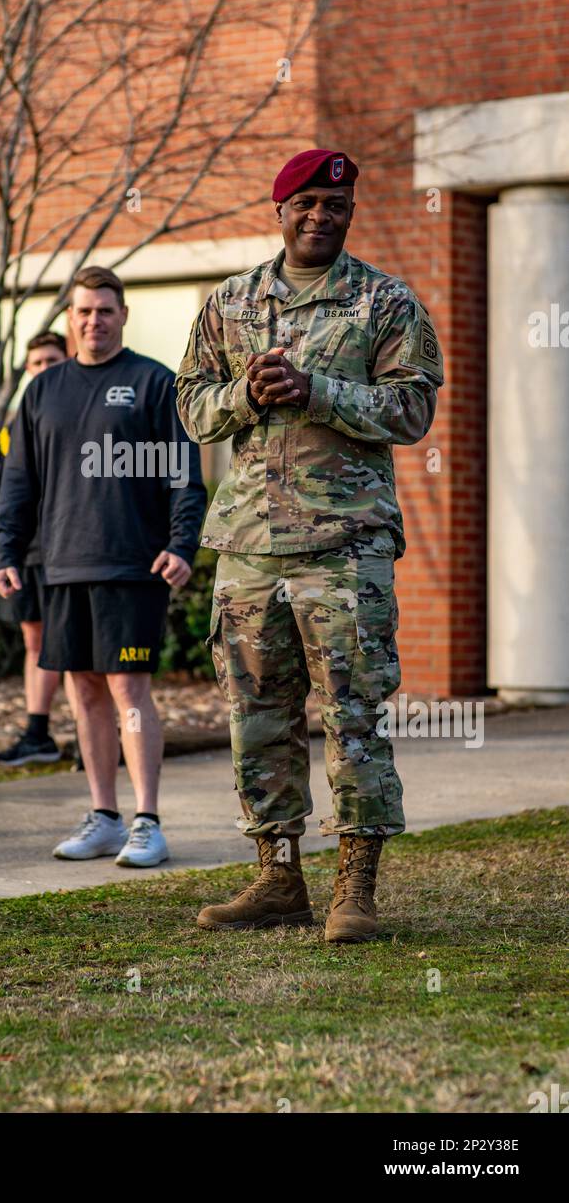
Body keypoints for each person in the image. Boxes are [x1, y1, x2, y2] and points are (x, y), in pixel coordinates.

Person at [176, 149, 444, 942]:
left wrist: (318, 391)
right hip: (250, 544)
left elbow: (411, 411)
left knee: (353, 714)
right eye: (307, 202)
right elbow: (192, 406)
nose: (321, 215)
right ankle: (277, 878)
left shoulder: (384, 302)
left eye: (336, 203)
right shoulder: (227, 303)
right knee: (256, 714)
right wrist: (242, 395)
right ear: (280, 209)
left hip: (344, 543)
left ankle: (354, 887)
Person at [0, 267, 206, 867]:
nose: (94, 321)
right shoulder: (42, 390)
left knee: (129, 689)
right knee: (82, 691)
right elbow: (18, 484)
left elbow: (184, 475)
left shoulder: (153, 383)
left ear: (122, 315)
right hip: (61, 565)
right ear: (69, 318)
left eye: (105, 311)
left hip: (132, 565)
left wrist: (182, 544)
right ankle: (105, 815)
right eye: (84, 311)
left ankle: (148, 821)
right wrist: (7, 553)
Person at [0, 331, 80, 766]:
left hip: (72, 549)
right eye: (37, 363)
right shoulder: (16, 426)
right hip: (27, 551)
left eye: (52, 360)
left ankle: (90, 735)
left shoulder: (80, 412)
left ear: (68, 359)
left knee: (75, 646)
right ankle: (37, 733)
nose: (44, 369)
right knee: (37, 642)